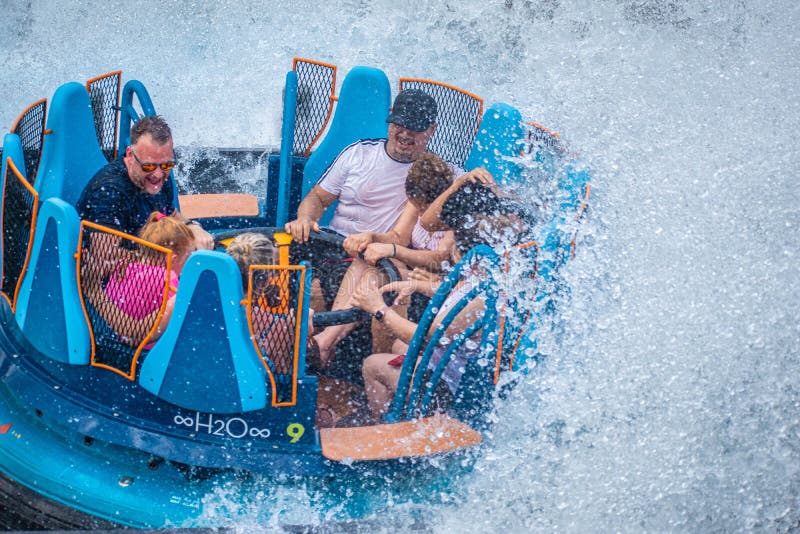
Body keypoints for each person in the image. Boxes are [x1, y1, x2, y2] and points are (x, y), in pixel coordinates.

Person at [355, 181, 532, 421]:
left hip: (448, 390)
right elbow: (456, 295)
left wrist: (378, 308)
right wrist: (416, 285)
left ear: (462, 253)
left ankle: (386, 430)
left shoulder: (478, 299)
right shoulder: (488, 277)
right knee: (397, 346)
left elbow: (426, 338)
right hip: (453, 365)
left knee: (373, 364)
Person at [284, 88, 440, 244]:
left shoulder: (433, 172)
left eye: (414, 128)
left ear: (432, 129)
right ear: (391, 119)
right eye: (399, 125)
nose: (405, 134)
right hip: (333, 243)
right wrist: (305, 219)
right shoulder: (358, 152)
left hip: (377, 255)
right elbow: (317, 198)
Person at [76, 115, 214, 250]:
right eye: (149, 166)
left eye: (166, 165)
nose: (158, 174)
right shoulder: (110, 193)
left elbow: (171, 215)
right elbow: (103, 261)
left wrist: (192, 227)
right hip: (114, 270)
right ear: (130, 155)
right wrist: (162, 258)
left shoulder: (158, 179)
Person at [93, 211, 196, 347]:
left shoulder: (125, 265)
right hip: (146, 350)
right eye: (189, 257)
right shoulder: (167, 278)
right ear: (173, 259)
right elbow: (178, 319)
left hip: (114, 341)